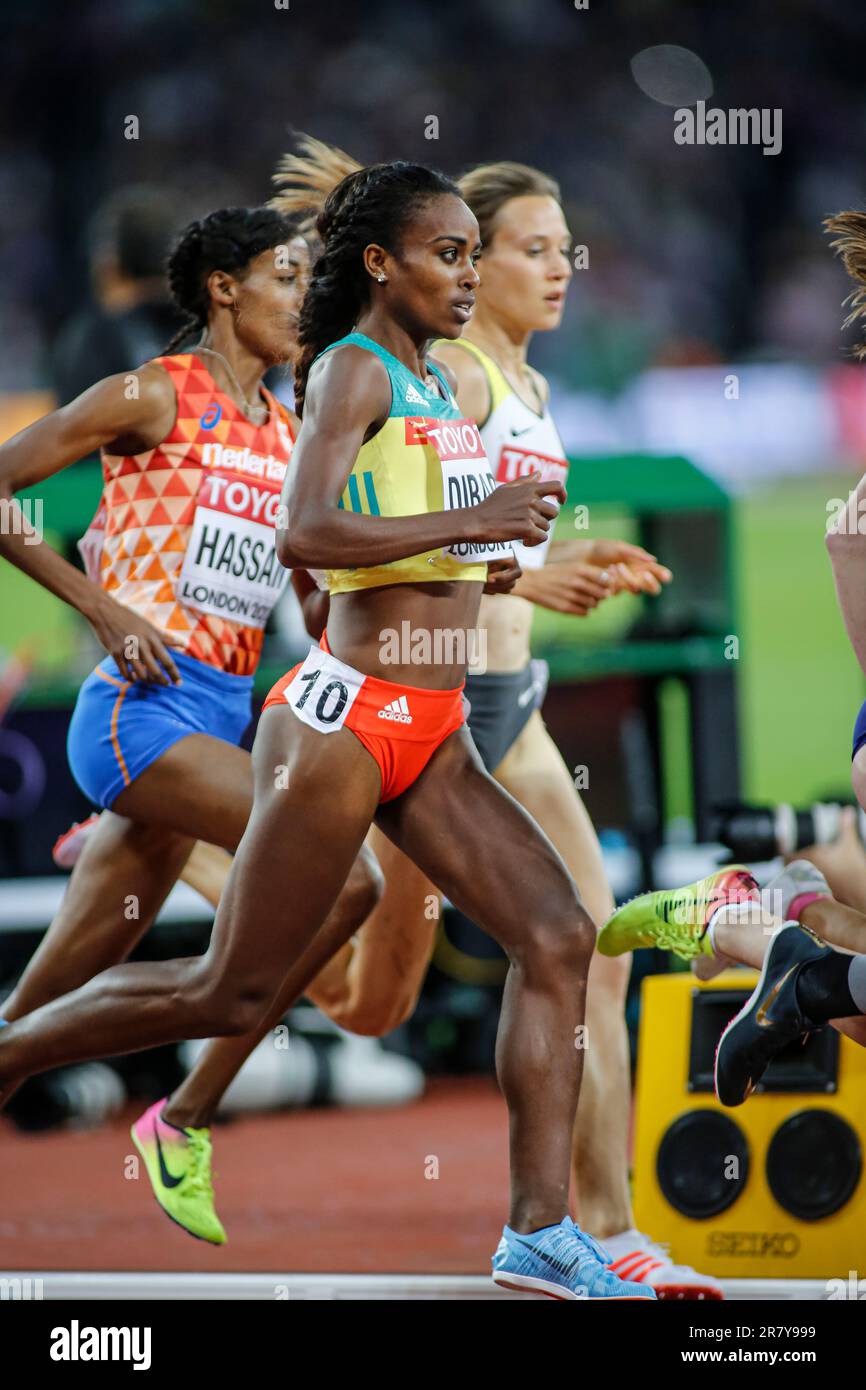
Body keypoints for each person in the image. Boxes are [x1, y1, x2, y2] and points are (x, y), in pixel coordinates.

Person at [0, 158, 656, 1301]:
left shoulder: (426, 388)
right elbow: (307, 534)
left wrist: (494, 561)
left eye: (468, 255)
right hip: (338, 725)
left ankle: (537, 1233)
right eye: (446, 256)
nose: (463, 278)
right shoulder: (349, 373)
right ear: (380, 265)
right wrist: (475, 518)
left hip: (430, 725)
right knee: (230, 993)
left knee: (556, 937)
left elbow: (336, 567)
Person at [0, 206, 383, 1240]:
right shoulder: (150, 393)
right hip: (138, 714)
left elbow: (298, 587)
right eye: (284, 277)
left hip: (221, 713)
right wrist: (102, 608)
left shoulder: (285, 429)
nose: (302, 298)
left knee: (29, 1014)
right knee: (348, 881)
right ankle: (187, 1111)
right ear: (223, 288)